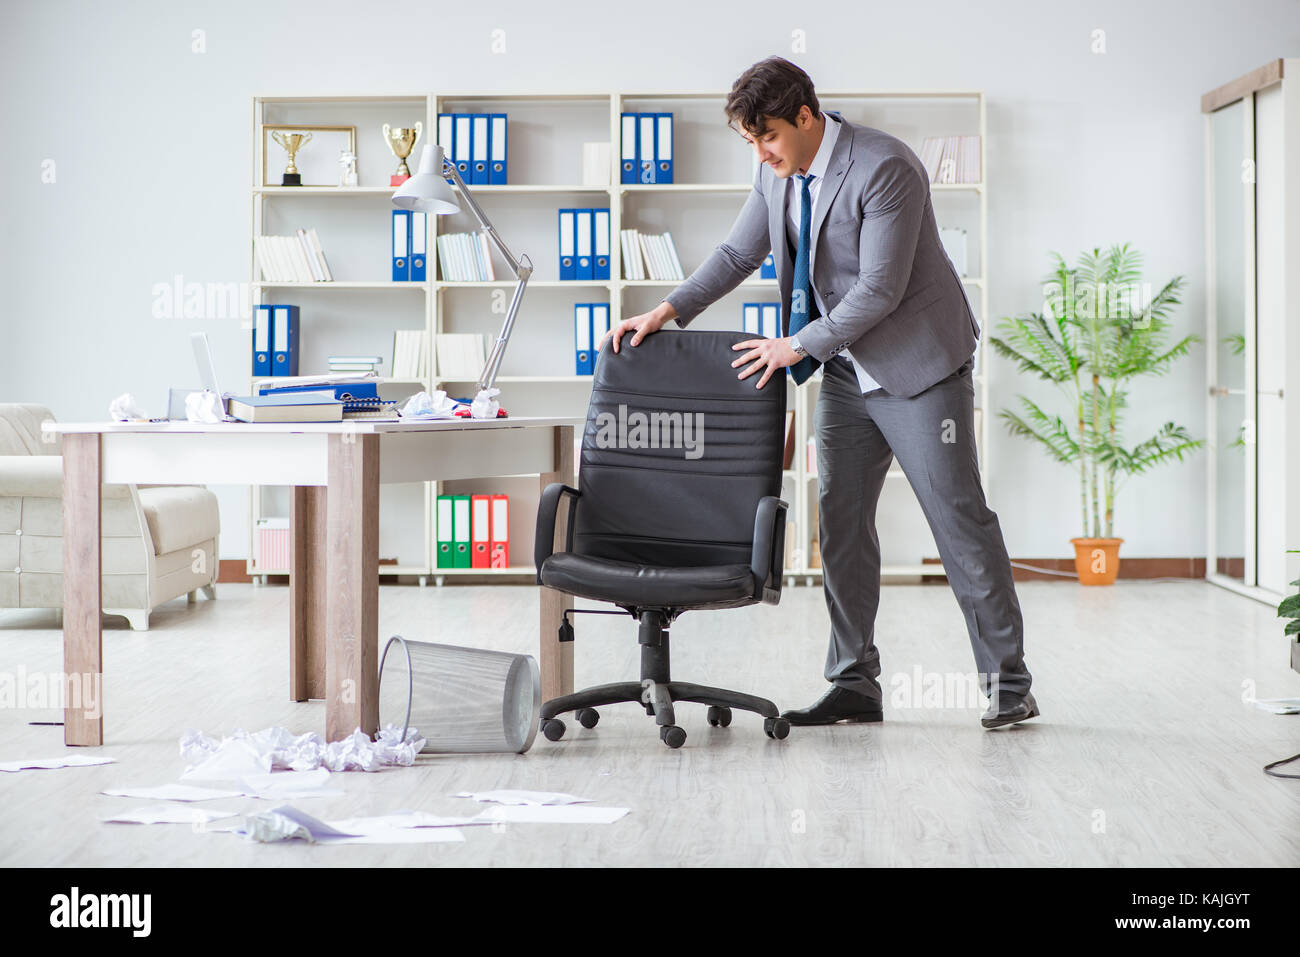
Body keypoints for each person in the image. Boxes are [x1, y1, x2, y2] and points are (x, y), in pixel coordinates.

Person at [603, 56, 1036, 730]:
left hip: (918, 367)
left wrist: (794, 345)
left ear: (806, 115)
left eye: (768, 135)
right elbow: (735, 254)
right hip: (842, 372)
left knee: (958, 519)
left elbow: (880, 290)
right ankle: (854, 682)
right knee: (839, 522)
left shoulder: (883, 166)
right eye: (751, 141)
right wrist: (668, 310)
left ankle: (1009, 681)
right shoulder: (775, 171)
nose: (762, 151)